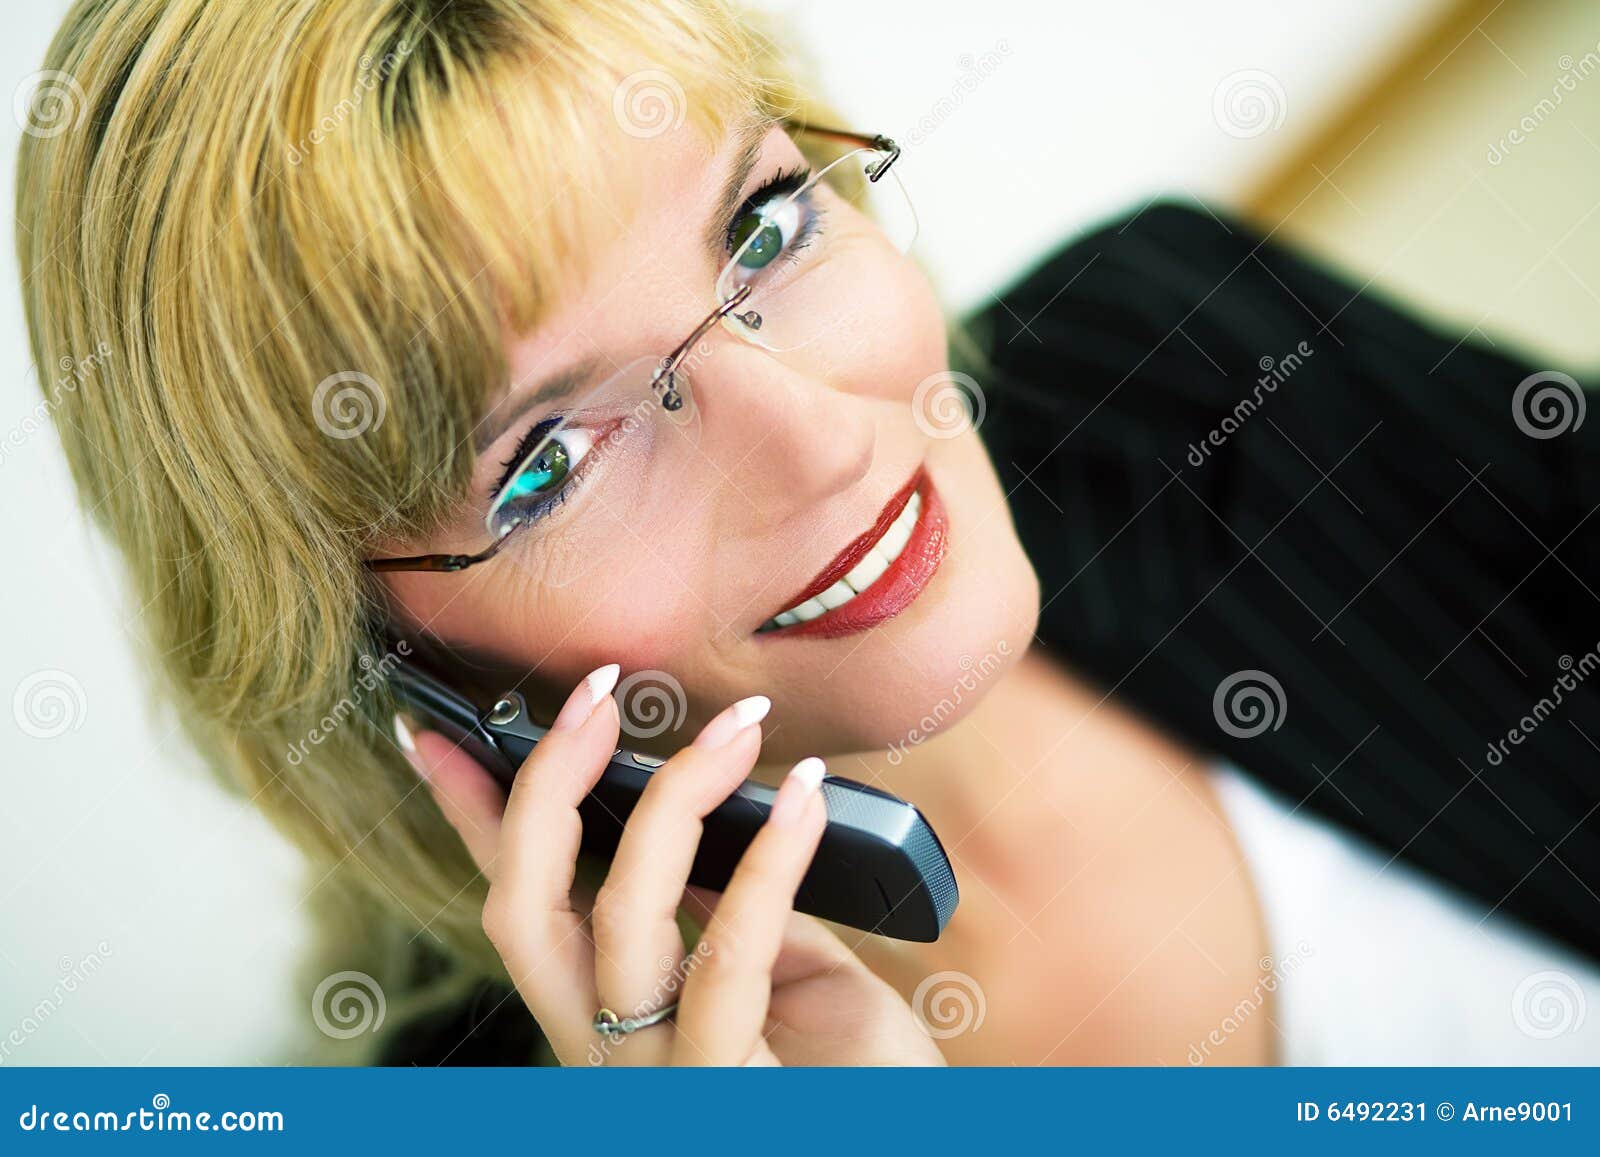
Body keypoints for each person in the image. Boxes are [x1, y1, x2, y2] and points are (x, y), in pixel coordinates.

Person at [17, 0, 1598, 1066]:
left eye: (765, 228)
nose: (827, 434)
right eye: (548, 459)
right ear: (390, 666)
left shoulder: (1181, 358)